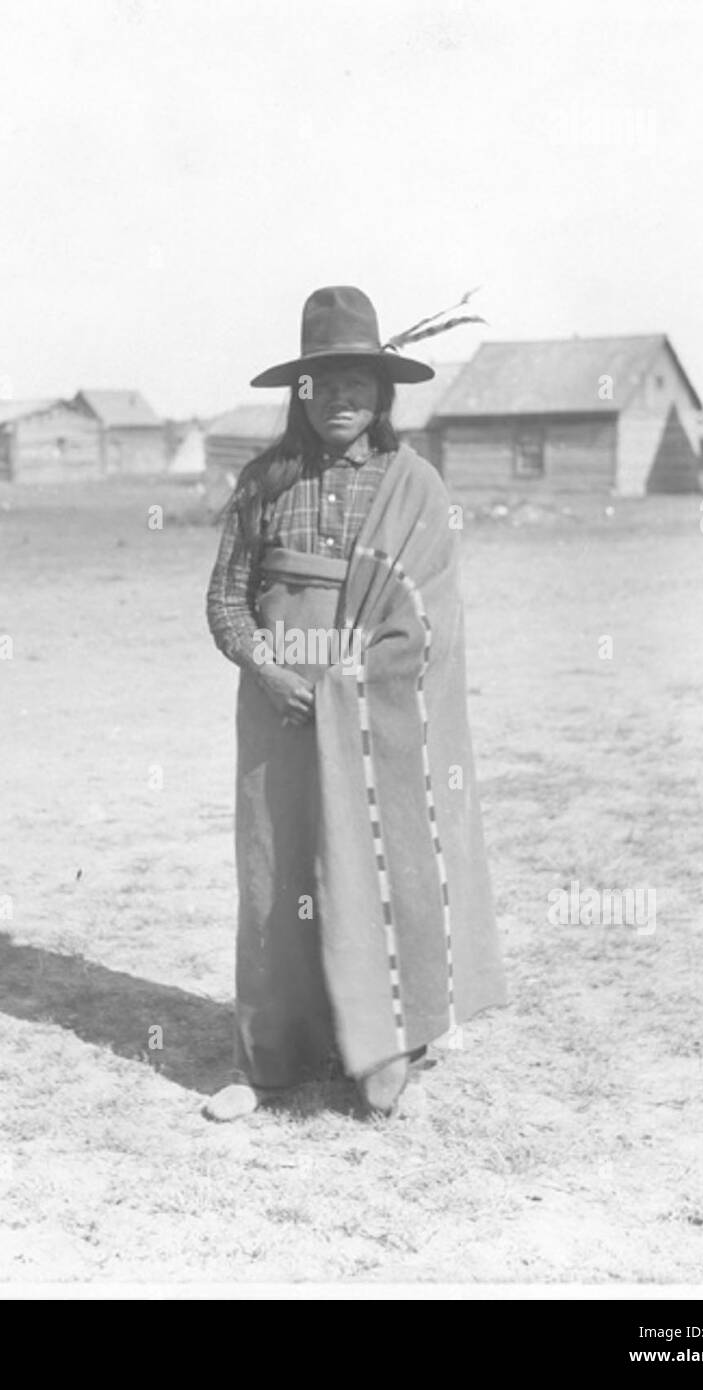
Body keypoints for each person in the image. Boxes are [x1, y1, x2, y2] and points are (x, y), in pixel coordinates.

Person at [205, 286, 505, 1121]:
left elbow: (429, 614)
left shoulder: (411, 485)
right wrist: (267, 668)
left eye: (357, 384)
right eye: (323, 383)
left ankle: (381, 1050)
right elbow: (226, 600)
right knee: (276, 869)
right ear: (300, 394)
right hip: (277, 708)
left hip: (376, 712)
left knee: (378, 863)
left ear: (383, 395)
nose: (341, 399)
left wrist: (355, 681)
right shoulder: (266, 482)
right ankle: (271, 1058)